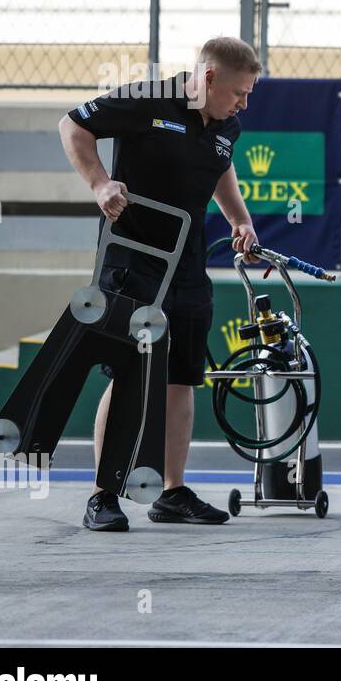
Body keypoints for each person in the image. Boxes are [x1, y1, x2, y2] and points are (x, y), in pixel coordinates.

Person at [58, 36, 261, 531]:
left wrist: (240, 219)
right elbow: (73, 125)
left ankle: (172, 492)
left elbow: (219, 166)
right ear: (208, 77)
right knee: (128, 371)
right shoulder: (145, 100)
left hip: (187, 263)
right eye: (239, 92)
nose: (244, 103)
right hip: (134, 257)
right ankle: (104, 494)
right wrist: (100, 183)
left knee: (182, 376)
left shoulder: (226, 124)